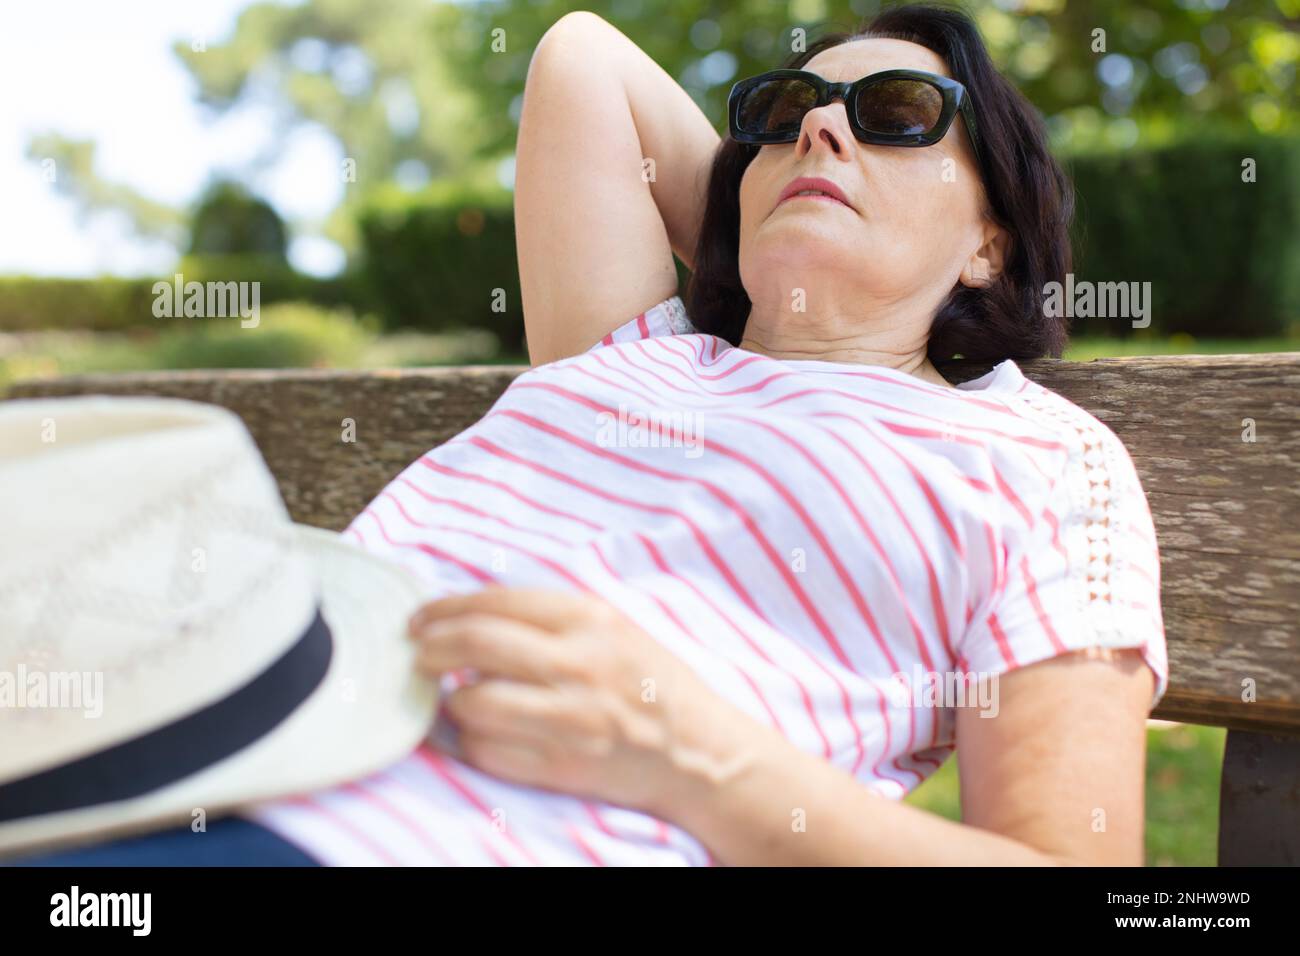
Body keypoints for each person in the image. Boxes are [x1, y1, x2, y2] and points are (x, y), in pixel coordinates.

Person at [14, 3, 1167, 866]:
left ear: (993, 242)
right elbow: (579, 54)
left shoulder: (1039, 461)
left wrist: (693, 757)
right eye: (776, 113)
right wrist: (756, 213)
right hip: (170, 745)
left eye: (899, 115)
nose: (817, 126)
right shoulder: (638, 353)